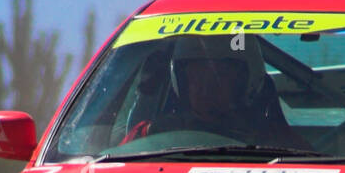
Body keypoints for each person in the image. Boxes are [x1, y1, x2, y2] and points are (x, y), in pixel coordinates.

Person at [121, 34, 304, 147]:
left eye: (218, 77)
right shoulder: (152, 136)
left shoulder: (280, 145)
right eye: (194, 78)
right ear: (180, 82)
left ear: (246, 81)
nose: (203, 89)